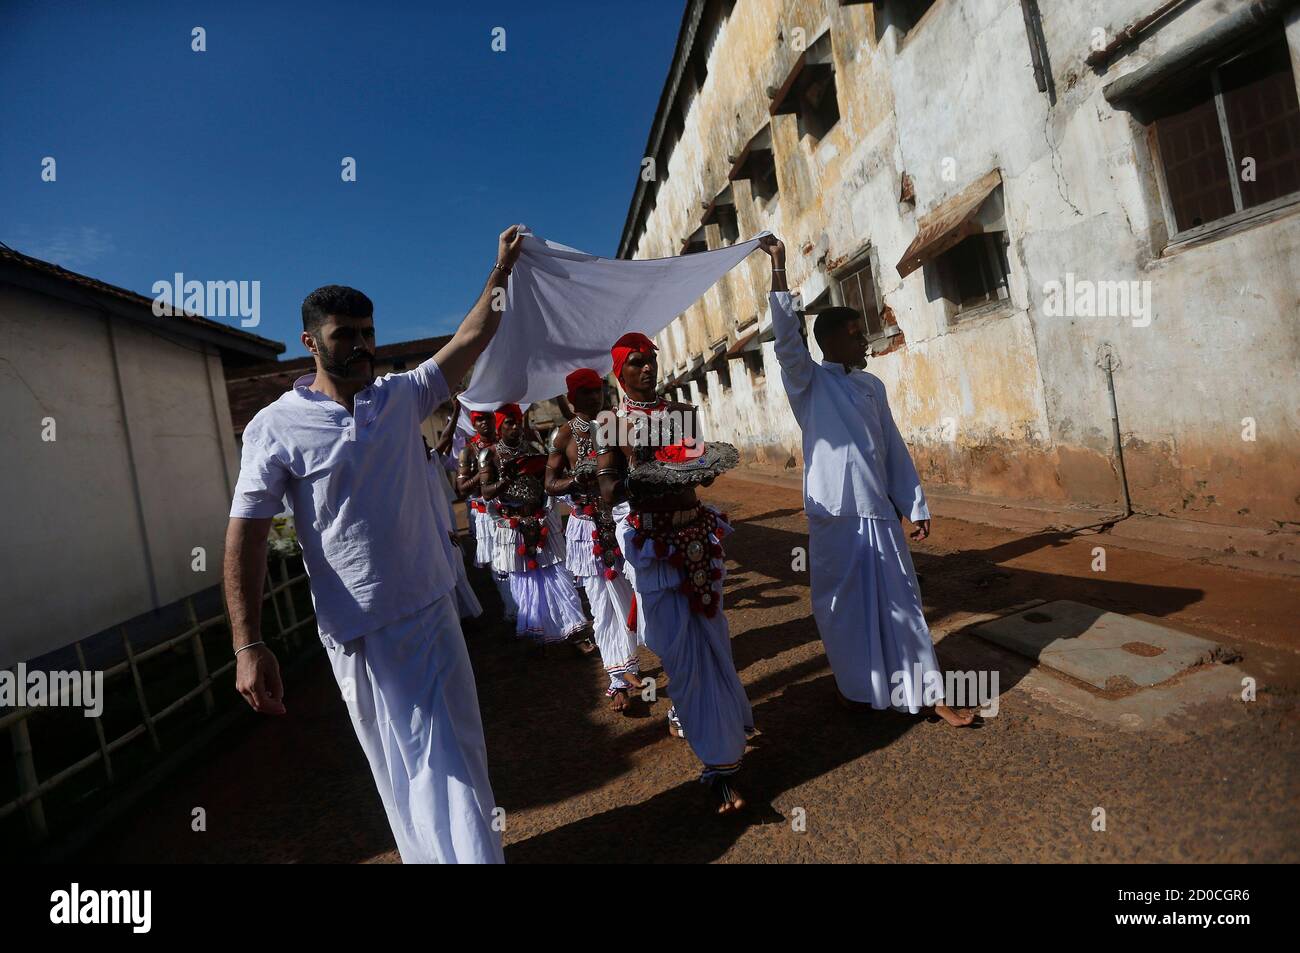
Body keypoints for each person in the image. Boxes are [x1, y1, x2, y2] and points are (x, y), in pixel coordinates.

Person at [223, 224, 527, 864]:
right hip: (358, 631)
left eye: (368, 332)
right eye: (345, 336)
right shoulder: (274, 428)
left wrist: (500, 272)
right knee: (401, 767)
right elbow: (247, 535)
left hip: (433, 604)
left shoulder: (400, 395)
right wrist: (247, 643)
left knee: (459, 756)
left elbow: (471, 337)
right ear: (310, 342)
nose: (362, 345)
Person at [758, 235, 974, 727]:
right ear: (829, 341)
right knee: (842, 609)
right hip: (834, 514)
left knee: (904, 603)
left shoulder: (871, 386)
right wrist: (779, 266)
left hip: (877, 509)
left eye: (862, 332)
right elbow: (788, 339)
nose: (863, 340)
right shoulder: (809, 383)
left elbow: (891, 446)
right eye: (854, 334)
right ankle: (857, 688)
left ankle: (929, 694)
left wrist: (913, 503)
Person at [596, 334, 753, 814]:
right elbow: (606, 490)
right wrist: (638, 476)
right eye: (637, 363)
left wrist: (699, 473)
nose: (647, 370)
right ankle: (713, 749)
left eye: (651, 361)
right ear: (620, 373)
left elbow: (697, 462)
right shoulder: (612, 423)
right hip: (655, 548)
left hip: (697, 537)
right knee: (679, 654)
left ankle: (721, 756)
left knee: (715, 642)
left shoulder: (681, 413)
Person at [545, 369, 642, 710]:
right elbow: (550, 482)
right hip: (587, 530)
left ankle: (631, 661)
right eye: (584, 392)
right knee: (601, 605)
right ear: (572, 398)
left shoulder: (614, 423)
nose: (593, 397)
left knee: (631, 594)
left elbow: (637, 463)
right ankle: (618, 679)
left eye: (597, 390)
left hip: (619, 521)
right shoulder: (564, 435)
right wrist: (574, 483)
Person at [480, 403, 588, 651]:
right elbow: (486, 492)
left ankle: (575, 630)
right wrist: (504, 479)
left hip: (541, 518)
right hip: (511, 525)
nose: (515, 427)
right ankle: (535, 633)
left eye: (517, 421)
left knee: (558, 575)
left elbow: (549, 479)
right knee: (524, 582)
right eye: (509, 422)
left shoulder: (535, 447)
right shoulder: (490, 455)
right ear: (499, 427)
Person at [459, 408, 517, 621]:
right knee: (498, 564)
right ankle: (513, 610)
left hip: (509, 509)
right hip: (485, 516)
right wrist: (483, 473)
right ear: (474, 424)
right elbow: (462, 488)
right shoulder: (469, 451)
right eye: (479, 420)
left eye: (487, 418)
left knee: (515, 559)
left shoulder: (504, 445)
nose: (484, 423)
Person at [425, 434, 483, 622]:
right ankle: (454, 619)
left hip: (447, 524)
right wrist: (440, 531)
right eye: (422, 443)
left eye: (426, 441)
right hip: (434, 531)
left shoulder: (432, 460)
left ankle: (468, 613)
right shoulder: (413, 470)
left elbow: (446, 442)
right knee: (446, 577)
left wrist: (456, 411)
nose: (427, 445)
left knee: (458, 571)